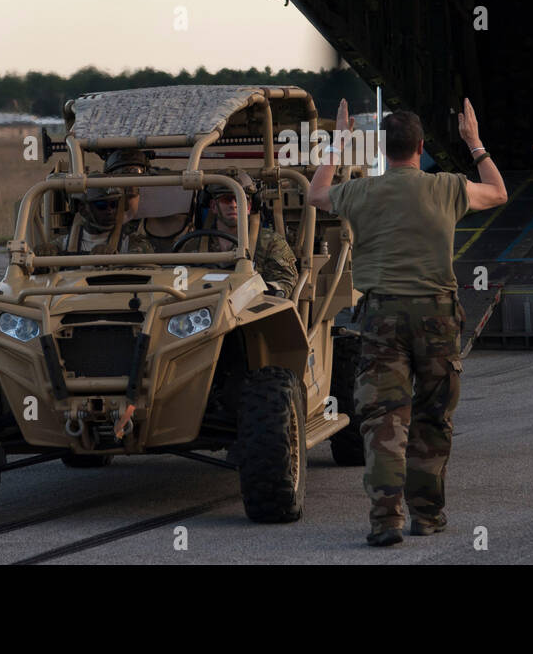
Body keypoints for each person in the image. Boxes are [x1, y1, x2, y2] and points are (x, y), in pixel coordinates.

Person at [308, 99, 508, 547]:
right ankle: (428, 516)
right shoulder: (448, 187)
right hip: (437, 315)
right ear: (420, 146)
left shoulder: (362, 193)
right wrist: (473, 142)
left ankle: (386, 521)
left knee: (383, 420)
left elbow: (315, 196)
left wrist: (338, 144)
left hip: (381, 317)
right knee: (434, 417)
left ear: (383, 146)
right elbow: (498, 192)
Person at [199, 171, 298, 299]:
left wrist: (258, 292)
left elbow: (285, 281)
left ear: (249, 207)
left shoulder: (270, 242)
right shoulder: (195, 244)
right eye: (227, 199)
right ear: (213, 206)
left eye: (240, 200)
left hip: (252, 311)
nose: (234, 205)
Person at [38, 148, 154, 255]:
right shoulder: (65, 243)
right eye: (101, 205)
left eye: (114, 204)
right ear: (83, 209)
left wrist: (115, 258)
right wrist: (44, 254)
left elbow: (142, 258)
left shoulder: (129, 240)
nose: (110, 210)